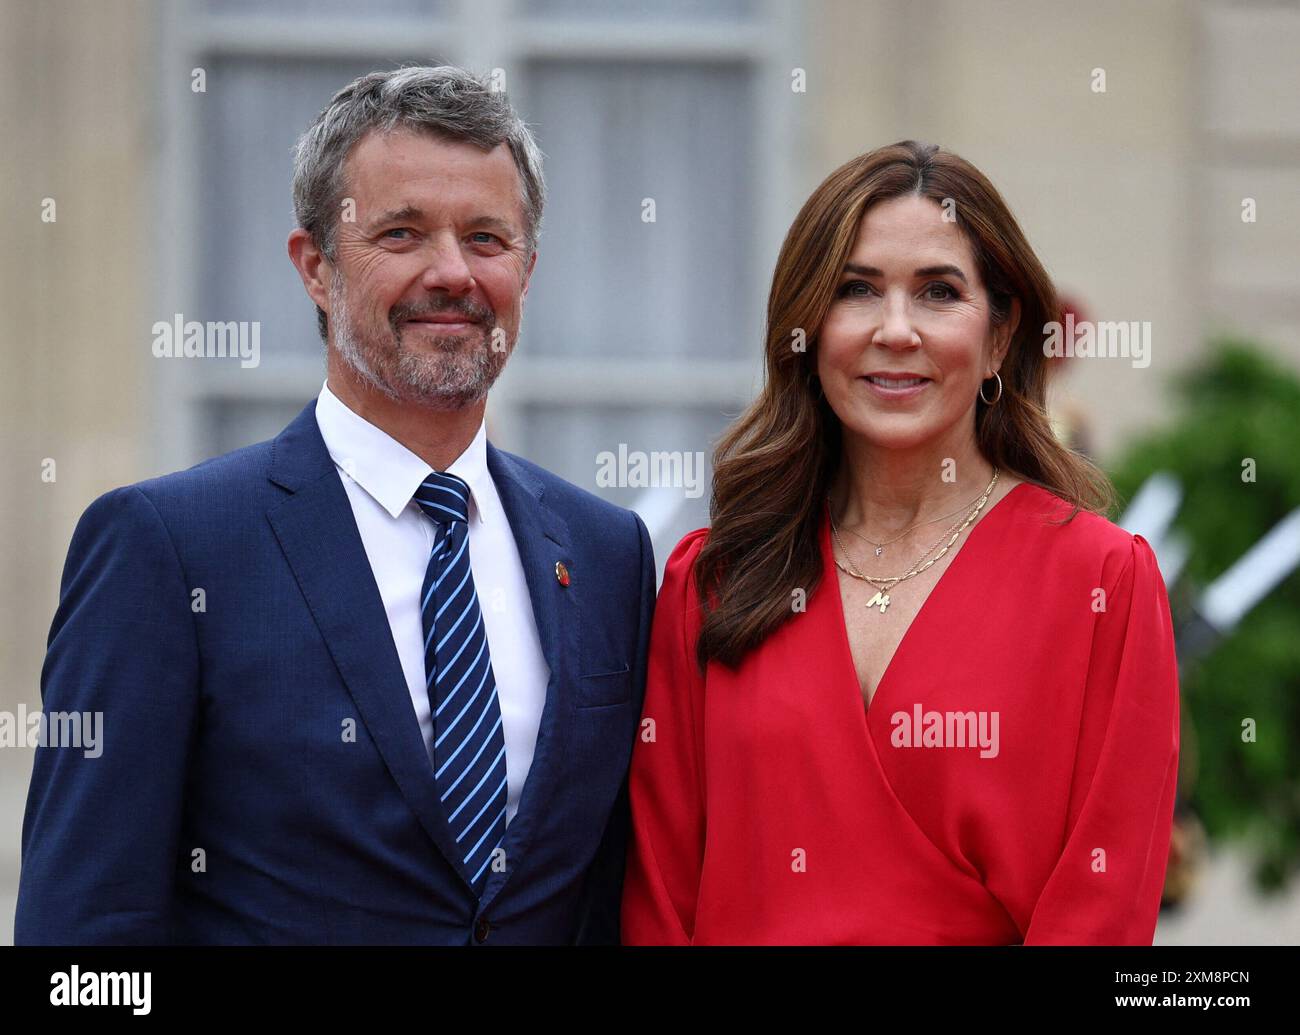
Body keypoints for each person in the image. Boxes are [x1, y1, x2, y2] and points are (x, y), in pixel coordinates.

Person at [16, 66, 654, 945]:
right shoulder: (168, 548)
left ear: (529, 269)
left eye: (487, 238)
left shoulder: (608, 551)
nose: (452, 273)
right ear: (316, 267)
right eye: (400, 234)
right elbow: (80, 940)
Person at [621, 140, 1179, 945]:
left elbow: (1104, 905)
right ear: (808, 328)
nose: (895, 330)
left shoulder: (1102, 584)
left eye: (938, 293)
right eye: (856, 290)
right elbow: (657, 905)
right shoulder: (711, 580)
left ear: (998, 335)